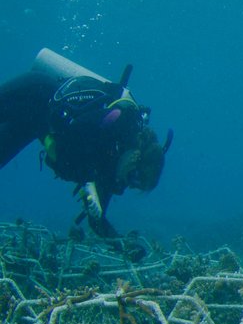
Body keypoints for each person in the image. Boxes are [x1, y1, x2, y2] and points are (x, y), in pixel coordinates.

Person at [1, 50, 170, 237]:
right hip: (35, 92)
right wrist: (87, 181)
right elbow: (76, 126)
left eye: (134, 186)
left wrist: (124, 246)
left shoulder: (110, 163)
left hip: (35, 123)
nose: (127, 184)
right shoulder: (120, 120)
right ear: (137, 157)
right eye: (134, 178)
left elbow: (96, 221)